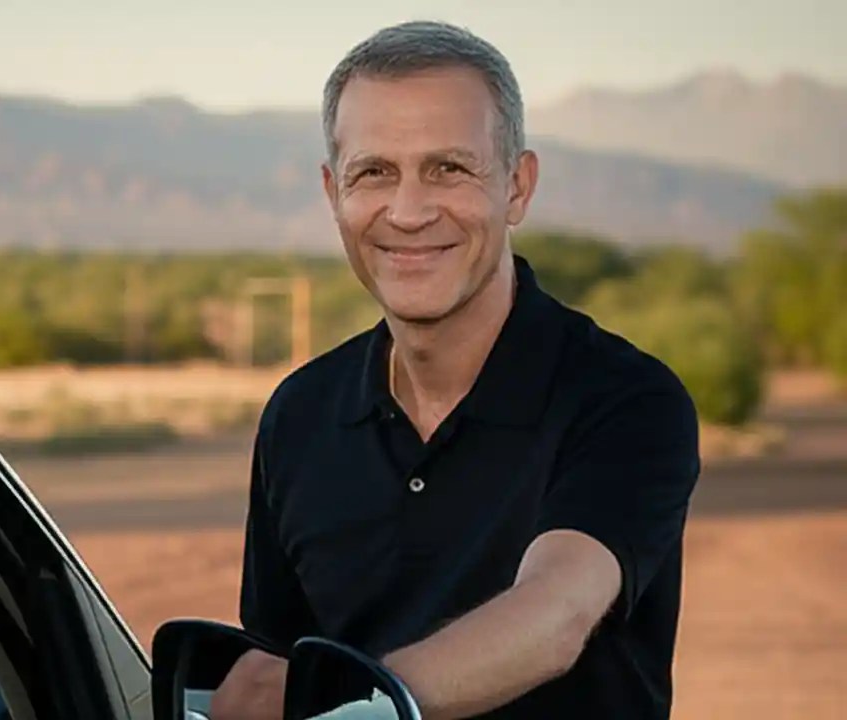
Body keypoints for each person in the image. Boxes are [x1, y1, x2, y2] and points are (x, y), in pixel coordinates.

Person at [209, 20, 701, 720]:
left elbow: (555, 617)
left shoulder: (625, 399)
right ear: (333, 194)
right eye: (374, 172)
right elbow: (275, 666)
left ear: (517, 187)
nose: (408, 212)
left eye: (449, 169)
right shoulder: (300, 411)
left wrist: (351, 703)